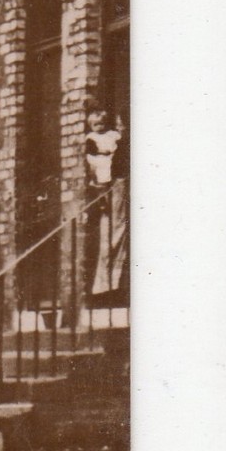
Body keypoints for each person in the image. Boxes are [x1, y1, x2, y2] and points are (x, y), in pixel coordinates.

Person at [84, 106, 128, 304]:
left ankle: (111, 283)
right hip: (104, 182)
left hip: (113, 179)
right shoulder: (92, 140)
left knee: (115, 229)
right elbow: (93, 155)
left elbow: (118, 140)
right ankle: (105, 285)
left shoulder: (113, 135)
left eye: (102, 123)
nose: (99, 127)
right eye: (95, 124)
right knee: (109, 229)